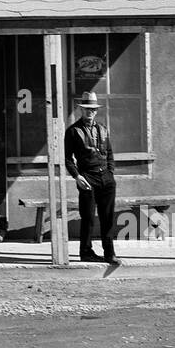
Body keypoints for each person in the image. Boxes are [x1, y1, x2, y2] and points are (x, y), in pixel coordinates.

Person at [64, 90, 120, 265]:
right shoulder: (73, 131)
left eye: (93, 109)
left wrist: (111, 172)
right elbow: (67, 158)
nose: (91, 112)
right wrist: (77, 176)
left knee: (107, 218)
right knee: (87, 217)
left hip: (106, 179)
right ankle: (85, 252)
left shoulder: (102, 128)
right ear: (81, 109)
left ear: (96, 111)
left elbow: (110, 153)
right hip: (87, 178)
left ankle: (109, 253)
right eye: (87, 109)